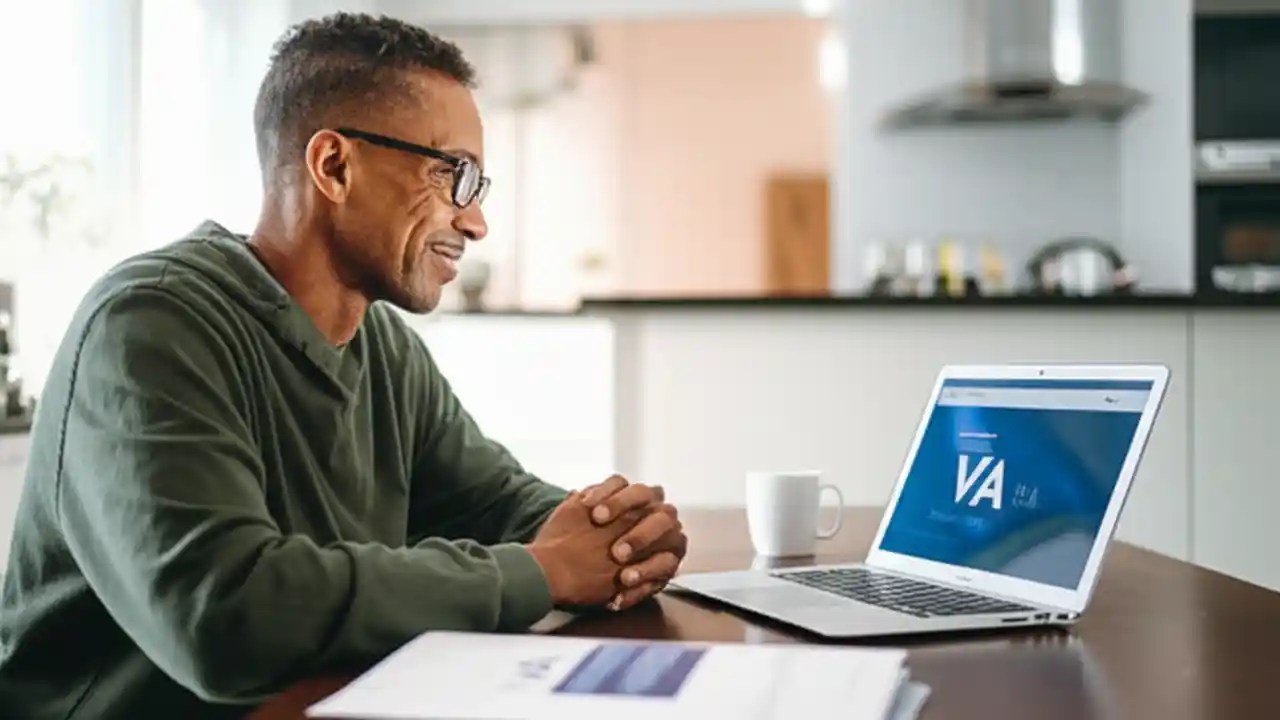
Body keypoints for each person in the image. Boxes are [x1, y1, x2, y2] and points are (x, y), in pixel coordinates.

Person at [0, 13, 687, 719]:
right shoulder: (149, 326)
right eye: (454, 175)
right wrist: (544, 571)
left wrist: (614, 537)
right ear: (334, 166)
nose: (476, 222)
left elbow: (499, 506)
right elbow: (226, 618)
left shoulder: (382, 345)